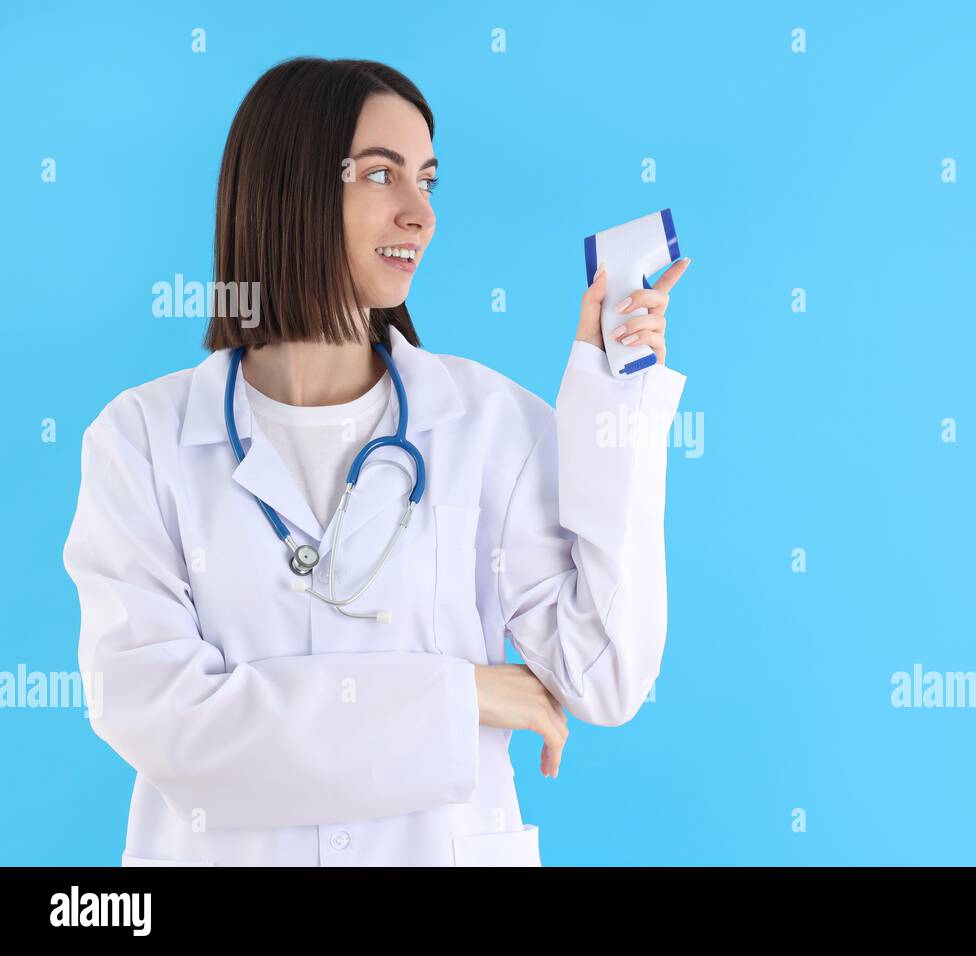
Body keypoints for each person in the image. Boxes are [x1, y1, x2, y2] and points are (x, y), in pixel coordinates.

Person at [61, 56, 690, 866]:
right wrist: (457, 697)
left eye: (427, 181)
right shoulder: (141, 440)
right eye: (382, 175)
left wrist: (614, 407)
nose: (419, 215)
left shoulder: (489, 426)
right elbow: (168, 722)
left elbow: (604, 678)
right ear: (290, 186)